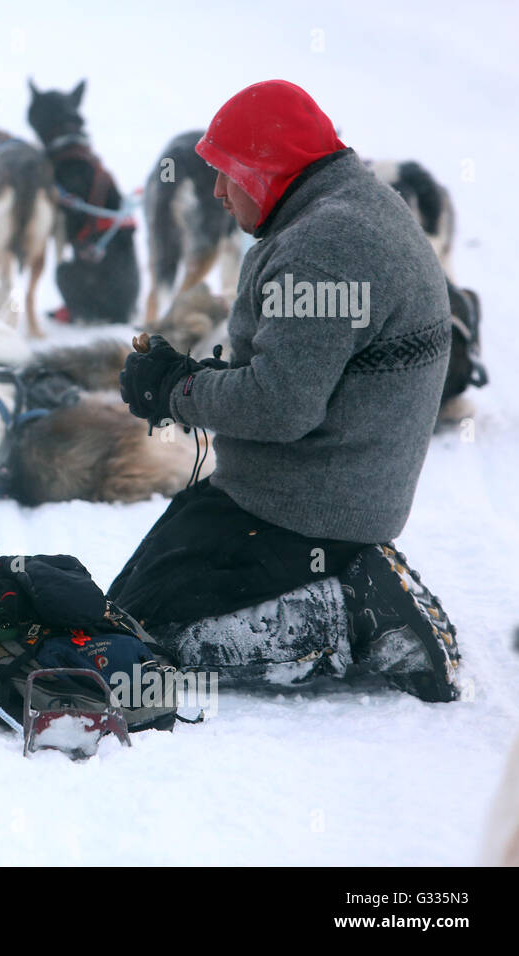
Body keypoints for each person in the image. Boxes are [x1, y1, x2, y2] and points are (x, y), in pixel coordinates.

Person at [111, 79, 460, 702]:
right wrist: (189, 379)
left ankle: (350, 612)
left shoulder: (325, 247)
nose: (216, 191)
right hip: (321, 489)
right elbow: (300, 375)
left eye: (226, 173)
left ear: (265, 171)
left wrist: (177, 391)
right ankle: (354, 574)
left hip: (308, 513)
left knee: (151, 634)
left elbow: (280, 406)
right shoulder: (351, 205)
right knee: (133, 598)